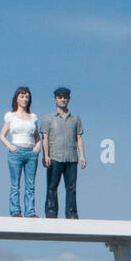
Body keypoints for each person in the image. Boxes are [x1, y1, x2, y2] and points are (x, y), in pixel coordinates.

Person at [42, 86, 85, 218]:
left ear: (68, 99)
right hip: (55, 156)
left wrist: (82, 155)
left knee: (71, 188)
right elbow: (45, 138)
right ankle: (51, 213)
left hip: (71, 157)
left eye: (65, 98)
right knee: (52, 187)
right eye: (60, 98)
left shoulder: (75, 119)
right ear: (55, 99)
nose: (63, 100)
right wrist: (46, 155)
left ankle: (71, 213)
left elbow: (79, 137)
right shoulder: (49, 118)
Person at [0, 86, 41, 217]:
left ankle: (30, 211)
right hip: (16, 151)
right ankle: (15, 211)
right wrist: (11, 146)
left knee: (30, 185)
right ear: (17, 98)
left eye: (27, 97)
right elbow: (1, 135)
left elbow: (38, 137)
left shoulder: (33, 117)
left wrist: (37, 149)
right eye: (22, 96)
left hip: (31, 152)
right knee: (15, 184)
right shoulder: (10, 116)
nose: (24, 99)